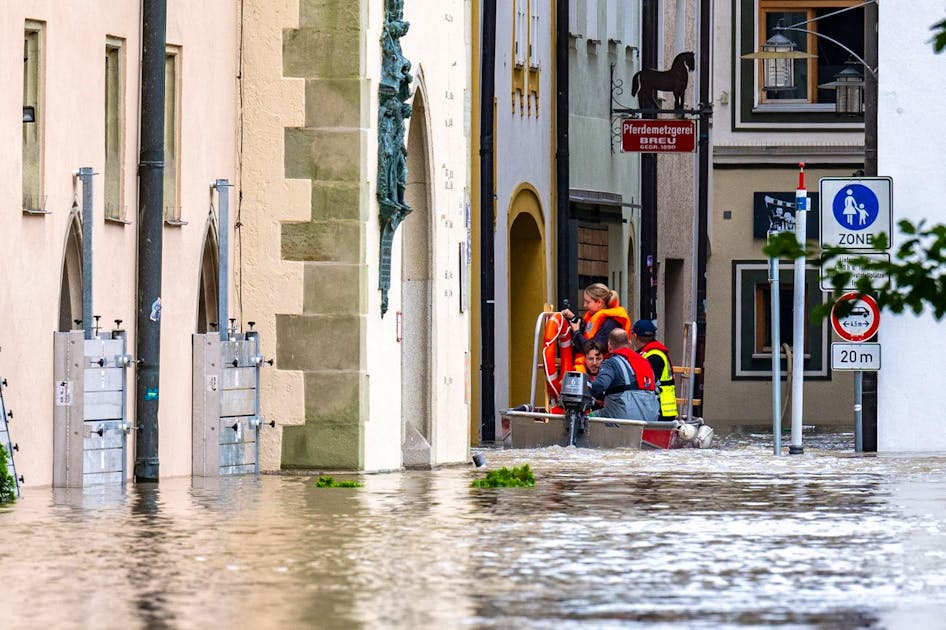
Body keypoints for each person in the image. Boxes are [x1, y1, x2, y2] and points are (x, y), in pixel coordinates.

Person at [589, 329, 659, 422]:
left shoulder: (611, 362)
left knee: (588, 418)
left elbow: (600, 385)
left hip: (623, 420)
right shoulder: (645, 362)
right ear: (629, 343)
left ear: (609, 345)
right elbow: (657, 386)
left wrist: (585, 387)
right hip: (650, 421)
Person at [561, 283, 631, 373]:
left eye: (587, 302)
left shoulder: (610, 323)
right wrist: (573, 319)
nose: (584, 305)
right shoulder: (594, 317)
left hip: (603, 372)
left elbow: (593, 350)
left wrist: (576, 332)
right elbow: (587, 334)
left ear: (599, 302)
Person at [631, 319, 678, 422]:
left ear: (635, 336)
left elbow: (647, 383)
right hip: (661, 408)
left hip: (659, 408)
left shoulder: (653, 355)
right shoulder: (654, 353)